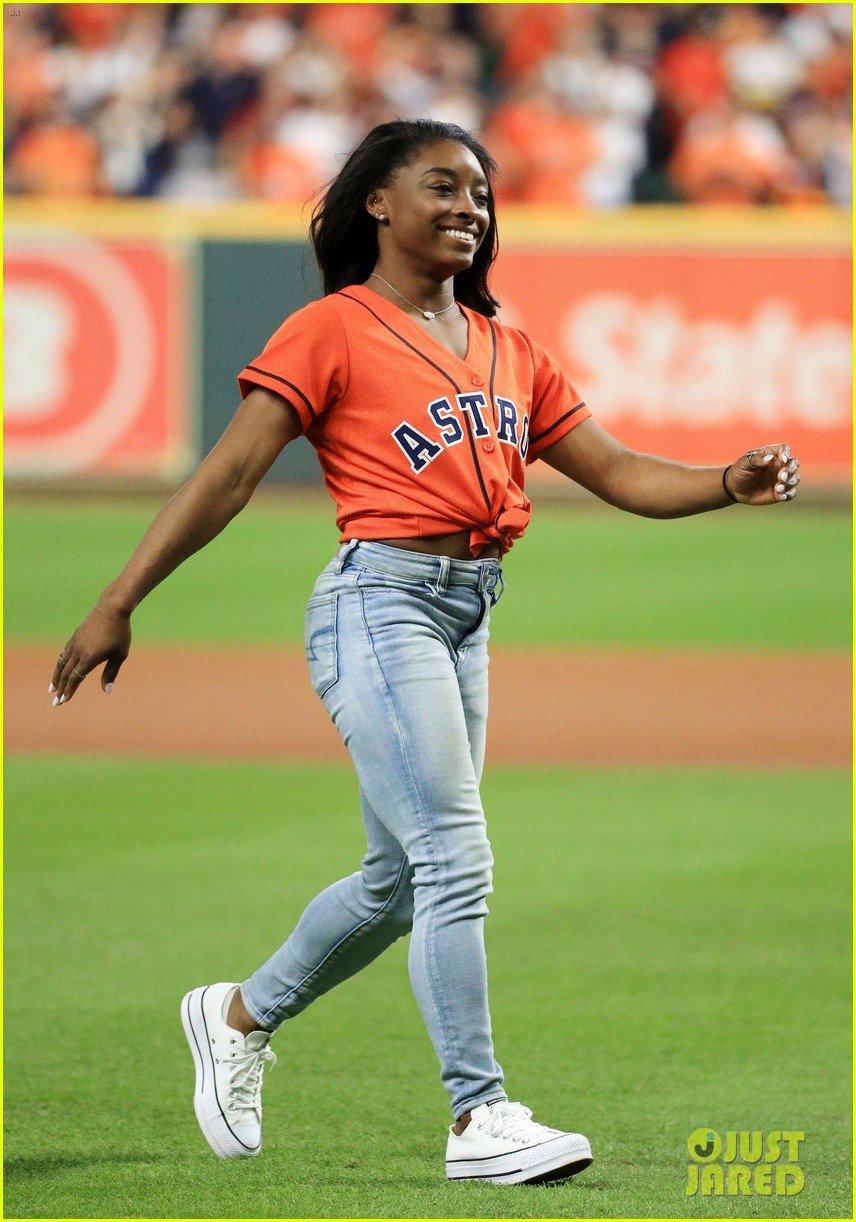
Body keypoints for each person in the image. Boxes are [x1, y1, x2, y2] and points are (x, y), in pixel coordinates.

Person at [49, 119, 800, 1186]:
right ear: (377, 204)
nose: (468, 205)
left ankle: (235, 1014)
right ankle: (478, 1114)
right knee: (456, 855)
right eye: (442, 185)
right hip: (378, 604)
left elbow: (622, 472)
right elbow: (227, 474)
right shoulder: (333, 327)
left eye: (481, 193)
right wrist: (118, 599)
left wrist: (725, 480)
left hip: (467, 611)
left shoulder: (506, 346)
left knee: (399, 878)